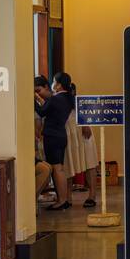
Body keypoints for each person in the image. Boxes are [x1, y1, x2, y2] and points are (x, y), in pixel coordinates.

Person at [35, 72, 76, 210]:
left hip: (52, 136)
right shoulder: (67, 98)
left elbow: (41, 111)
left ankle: (61, 200)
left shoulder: (55, 98)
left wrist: (33, 98)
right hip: (61, 135)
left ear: (58, 85)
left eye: (54, 81)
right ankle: (63, 199)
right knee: (60, 168)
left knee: (56, 169)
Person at [63, 80, 102, 208]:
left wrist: (85, 124)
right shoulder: (59, 100)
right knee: (68, 164)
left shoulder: (79, 102)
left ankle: (92, 195)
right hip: (68, 136)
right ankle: (67, 197)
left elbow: (86, 116)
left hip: (84, 134)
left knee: (90, 163)